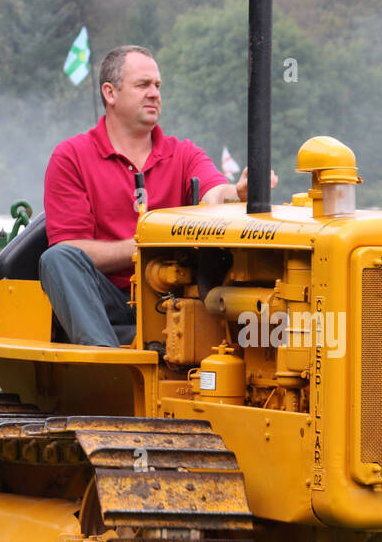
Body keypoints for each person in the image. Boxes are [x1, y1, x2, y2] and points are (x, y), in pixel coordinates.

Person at [40, 45, 276, 346]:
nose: (154, 93)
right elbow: (72, 251)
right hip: (104, 298)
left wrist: (239, 192)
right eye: (142, 85)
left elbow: (215, 192)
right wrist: (146, 246)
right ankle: (109, 365)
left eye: (157, 85)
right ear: (110, 94)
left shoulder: (184, 153)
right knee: (57, 259)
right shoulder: (72, 157)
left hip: (173, 298)